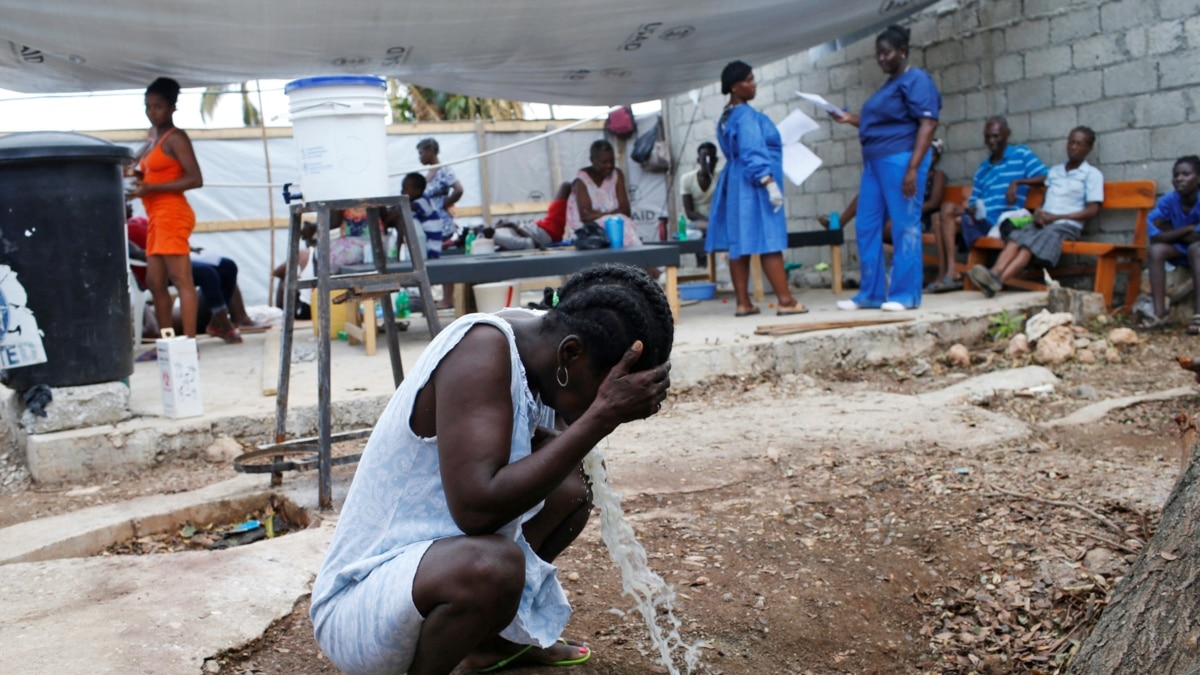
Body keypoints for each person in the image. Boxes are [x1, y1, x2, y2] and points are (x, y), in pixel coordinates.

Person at [309, 263, 674, 675]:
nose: (601, 403)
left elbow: (549, 449)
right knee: (494, 567)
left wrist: (598, 414)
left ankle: (490, 644)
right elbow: (477, 509)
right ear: (571, 354)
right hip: (360, 608)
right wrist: (601, 417)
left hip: (430, 574)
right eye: (603, 391)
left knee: (573, 483)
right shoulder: (481, 351)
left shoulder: (548, 345)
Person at [832, 25, 940, 312]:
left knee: (905, 225)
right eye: (878, 54)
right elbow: (879, 123)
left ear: (902, 51)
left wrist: (912, 169)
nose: (881, 58)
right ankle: (871, 293)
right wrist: (849, 118)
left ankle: (905, 295)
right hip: (874, 164)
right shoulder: (890, 85)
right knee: (866, 225)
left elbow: (928, 124)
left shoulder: (917, 80)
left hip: (901, 160)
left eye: (887, 53)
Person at [706, 60, 807, 317]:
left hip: (735, 183)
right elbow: (752, 151)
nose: (754, 84)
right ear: (734, 86)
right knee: (768, 240)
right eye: (748, 80)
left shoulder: (727, 116)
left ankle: (743, 303)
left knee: (738, 243)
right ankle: (786, 301)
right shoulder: (747, 116)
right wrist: (769, 183)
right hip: (755, 184)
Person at [967, 126, 1104, 298]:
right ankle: (993, 273)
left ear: (1089, 148)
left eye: (1079, 144)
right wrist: (1038, 211)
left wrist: (1057, 217)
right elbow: (1045, 198)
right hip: (1044, 221)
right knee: (1016, 237)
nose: (1073, 147)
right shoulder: (1055, 171)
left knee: (1029, 246)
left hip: (1065, 226)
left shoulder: (1092, 174)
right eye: (1071, 143)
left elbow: (1092, 210)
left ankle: (998, 281)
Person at [926, 117, 1048, 293]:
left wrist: (1017, 182)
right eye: (988, 137)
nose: (992, 141)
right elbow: (974, 200)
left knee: (946, 210)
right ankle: (945, 273)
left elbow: (1046, 176)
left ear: (1007, 134)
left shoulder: (1021, 154)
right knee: (938, 216)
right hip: (982, 220)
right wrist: (973, 208)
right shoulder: (983, 167)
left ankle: (951, 273)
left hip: (1003, 222)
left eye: (996, 136)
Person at [128, 76, 203, 337]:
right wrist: (135, 186)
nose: (152, 112)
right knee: (154, 281)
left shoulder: (176, 138)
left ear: (172, 107)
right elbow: (143, 171)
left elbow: (195, 179)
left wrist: (151, 189)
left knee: (181, 279)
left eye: (158, 106)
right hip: (156, 215)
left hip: (172, 213)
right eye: (148, 106)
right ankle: (168, 342)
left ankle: (189, 343)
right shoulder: (153, 138)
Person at [819, 138, 947, 243]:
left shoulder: (937, 175)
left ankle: (894, 262)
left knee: (883, 226)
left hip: (919, 217)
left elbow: (933, 203)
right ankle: (840, 223)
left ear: (937, 158)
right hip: (899, 212)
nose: (926, 158)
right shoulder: (910, 175)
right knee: (866, 196)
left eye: (931, 155)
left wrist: (905, 210)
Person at [1141, 155, 1200, 332]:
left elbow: (1196, 238)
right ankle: (1159, 314)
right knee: (1156, 250)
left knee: (1195, 248)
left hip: (1195, 250)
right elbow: (1154, 236)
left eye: (1186, 174)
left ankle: (1198, 315)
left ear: (1198, 178)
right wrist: (1187, 229)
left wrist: (1170, 231)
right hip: (1181, 250)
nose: (1179, 179)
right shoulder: (1168, 201)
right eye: (1176, 175)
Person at [564, 140, 642, 248]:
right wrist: (612, 215)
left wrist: (600, 215)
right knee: (619, 223)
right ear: (592, 160)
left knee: (622, 223)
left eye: (612, 161)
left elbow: (626, 211)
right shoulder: (581, 180)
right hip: (588, 233)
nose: (609, 166)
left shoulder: (617, 174)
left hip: (612, 227)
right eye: (604, 162)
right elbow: (585, 216)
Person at [418, 138, 463, 310]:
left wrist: (445, 204)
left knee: (444, 260)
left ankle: (447, 298)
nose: (420, 157)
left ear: (431, 151)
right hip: (429, 223)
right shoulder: (430, 173)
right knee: (433, 258)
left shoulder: (444, 170)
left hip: (441, 223)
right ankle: (438, 298)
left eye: (422, 153)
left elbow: (458, 189)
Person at [493, 182, 572, 251]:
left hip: (542, 228)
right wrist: (513, 226)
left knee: (566, 187)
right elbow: (532, 243)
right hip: (548, 230)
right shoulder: (497, 239)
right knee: (565, 186)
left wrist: (500, 226)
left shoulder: (495, 235)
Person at [272, 222, 318, 320]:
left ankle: (281, 311)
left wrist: (295, 276)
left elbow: (276, 272)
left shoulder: (303, 253)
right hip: (323, 308)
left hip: (306, 310)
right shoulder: (333, 252)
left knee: (285, 277)